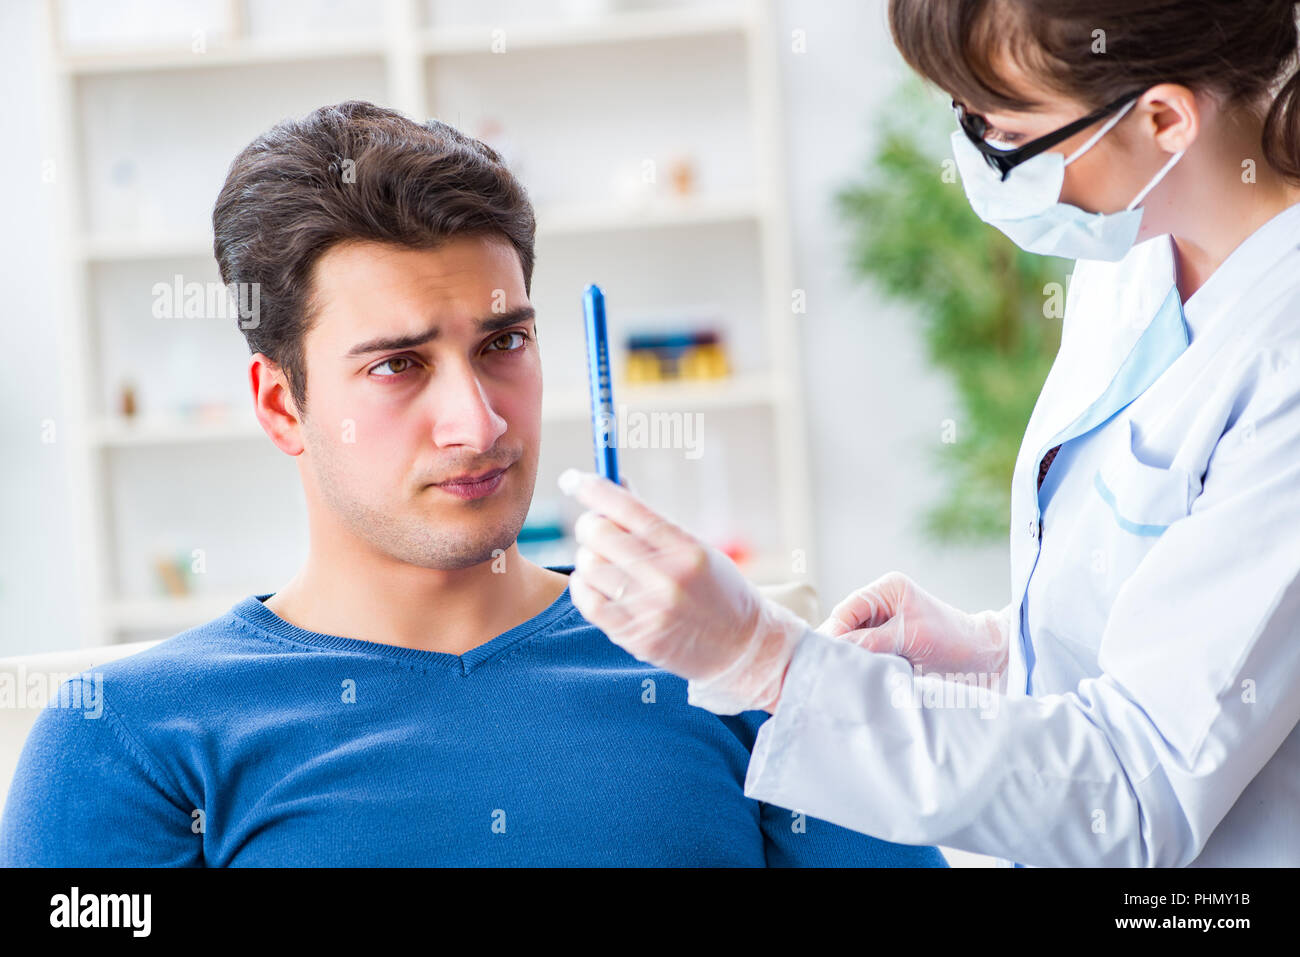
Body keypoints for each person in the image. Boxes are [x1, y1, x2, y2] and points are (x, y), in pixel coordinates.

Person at [0, 102, 945, 868]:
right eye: (398, 366)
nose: (482, 423)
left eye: (503, 345)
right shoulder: (127, 741)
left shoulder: (731, 668)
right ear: (282, 405)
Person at [557, 0, 1300, 866]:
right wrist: (997, 648)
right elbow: (1186, 623)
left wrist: (768, 660)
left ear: (1164, 119)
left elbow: (1135, 794)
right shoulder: (1138, 244)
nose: (976, 156)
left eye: (999, 126)